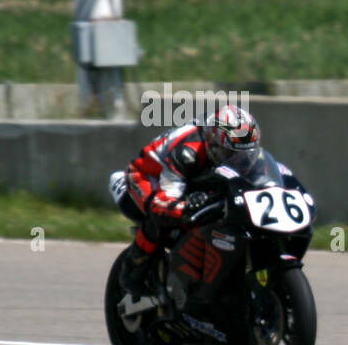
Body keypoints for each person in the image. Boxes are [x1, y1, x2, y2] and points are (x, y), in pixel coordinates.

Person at [111, 104, 261, 297]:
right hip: (148, 175)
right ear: (213, 144)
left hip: (192, 175)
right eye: (231, 155)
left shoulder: (230, 148)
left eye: (244, 155)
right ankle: (134, 268)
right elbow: (166, 198)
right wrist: (185, 206)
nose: (239, 161)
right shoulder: (187, 153)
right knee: (161, 214)